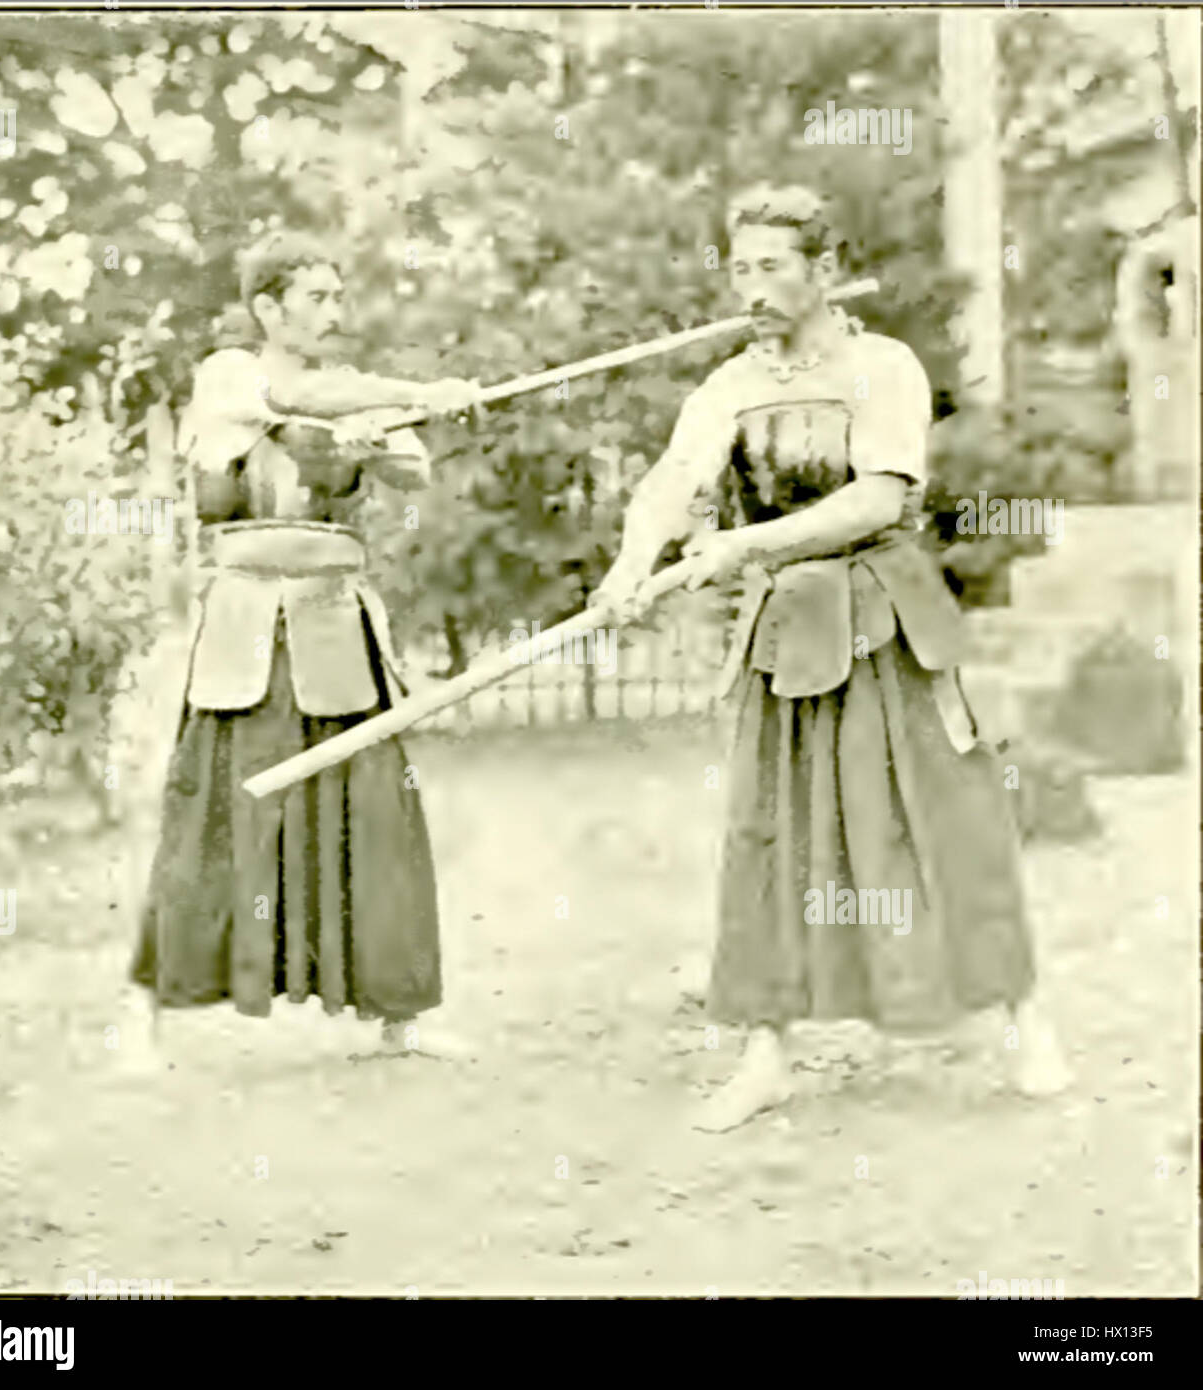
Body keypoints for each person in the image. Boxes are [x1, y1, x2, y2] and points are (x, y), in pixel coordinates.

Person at [595, 185, 1072, 1132]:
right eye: (740, 269)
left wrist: (741, 546)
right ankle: (766, 1054)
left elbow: (878, 500)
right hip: (788, 636)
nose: (753, 288)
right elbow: (670, 484)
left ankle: (1027, 1023)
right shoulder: (728, 385)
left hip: (885, 621)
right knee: (769, 831)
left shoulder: (882, 367)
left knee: (948, 816)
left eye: (773, 267)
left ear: (824, 270)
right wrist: (630, 565)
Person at [129, 230, 480, 1061]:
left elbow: (415, 470)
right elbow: (295, 403)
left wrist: (382, 437)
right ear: (267, 308)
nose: (334, 311)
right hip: (246, 632)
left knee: (376, 814)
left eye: (338, 296)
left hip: (335, 628)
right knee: (211, 820)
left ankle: (399, 1019)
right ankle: (141, 1020)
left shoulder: (348, 393)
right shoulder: (230, 375)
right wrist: (420, 391)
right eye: (316, 297)